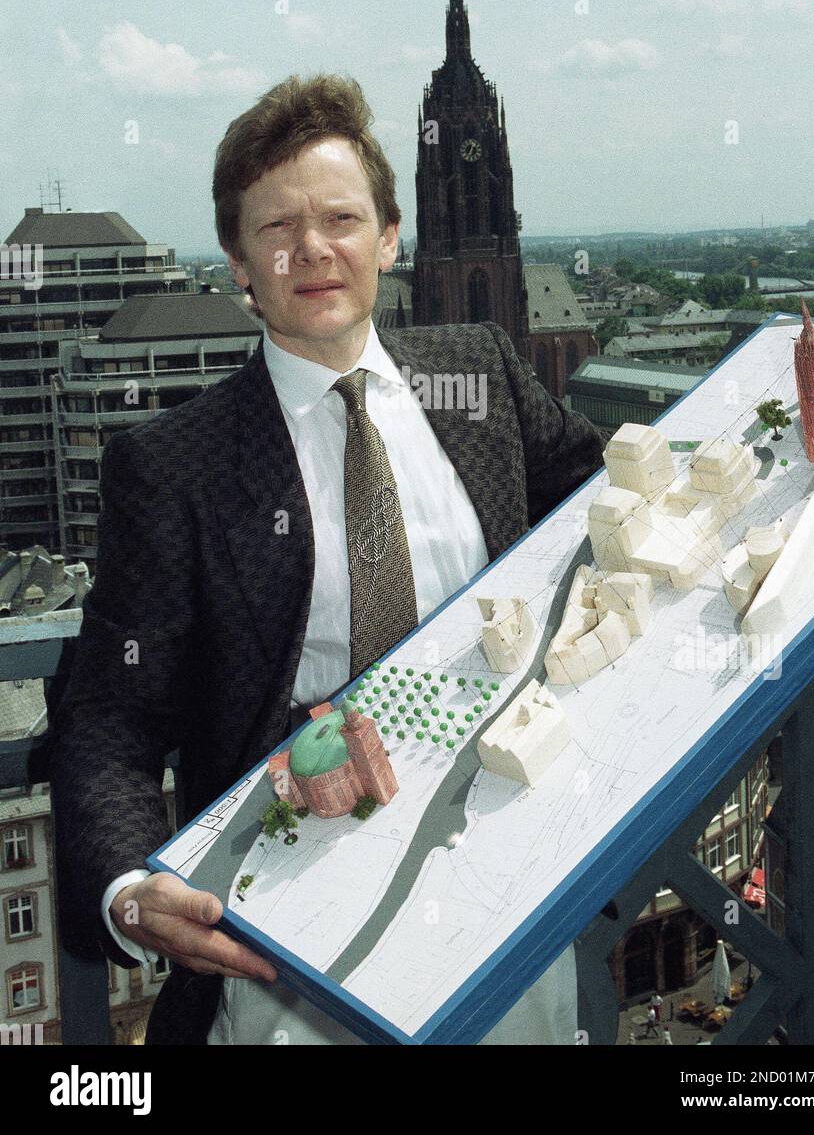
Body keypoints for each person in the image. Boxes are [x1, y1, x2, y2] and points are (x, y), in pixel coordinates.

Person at [49, 73, 605, 1045]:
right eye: (276, 229)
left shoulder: (477, 373)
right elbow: (109, 714)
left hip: (508, 901)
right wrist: (129, 887)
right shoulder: (173, 464)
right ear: (238, 265)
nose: (311, 247)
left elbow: (615, 502)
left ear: (388, 239)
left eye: (340, 217)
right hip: (295, 948)